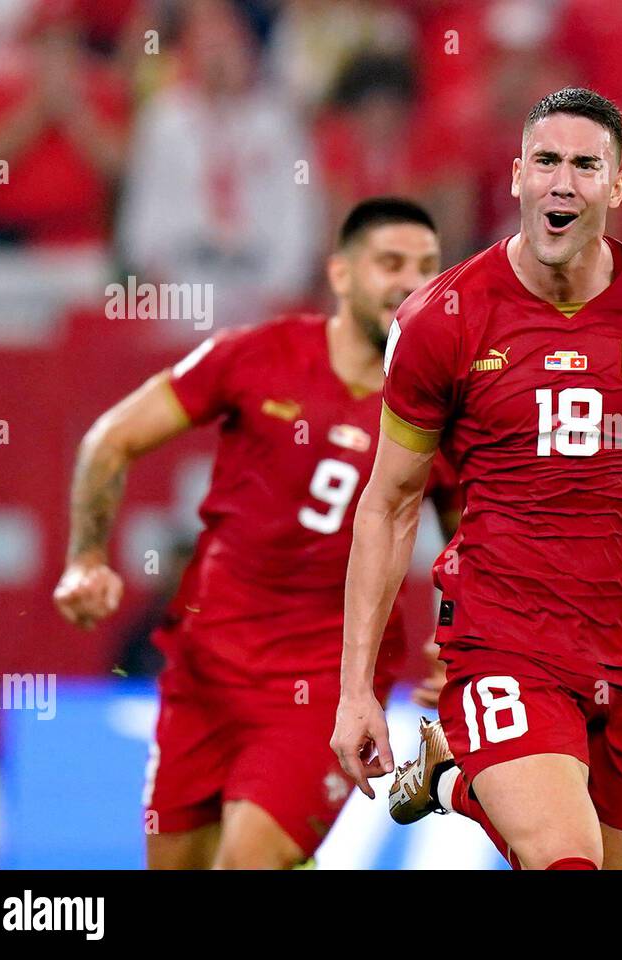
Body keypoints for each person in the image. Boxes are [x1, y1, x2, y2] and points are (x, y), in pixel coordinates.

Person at [332, 87, 622, 871]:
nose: (563, 183)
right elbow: (388, 503)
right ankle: (469, 763)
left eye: (587, 166)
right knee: (564, 857)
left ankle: (455, 776)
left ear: (617, 187)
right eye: (547, 161)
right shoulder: (442, 319)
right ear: (517, 175)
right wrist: (355, 690)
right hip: (504, 640)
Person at [53, 198, 444, 868]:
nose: (410, 282)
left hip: (326, 685)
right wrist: (85, 557)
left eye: (428, 269)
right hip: (206, 670)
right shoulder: (257, 355)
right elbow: (110, 440)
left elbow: (476, 540)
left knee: (247, 861)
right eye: (390, 263)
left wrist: (457, 645)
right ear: (342, 275)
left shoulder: (439, 408)